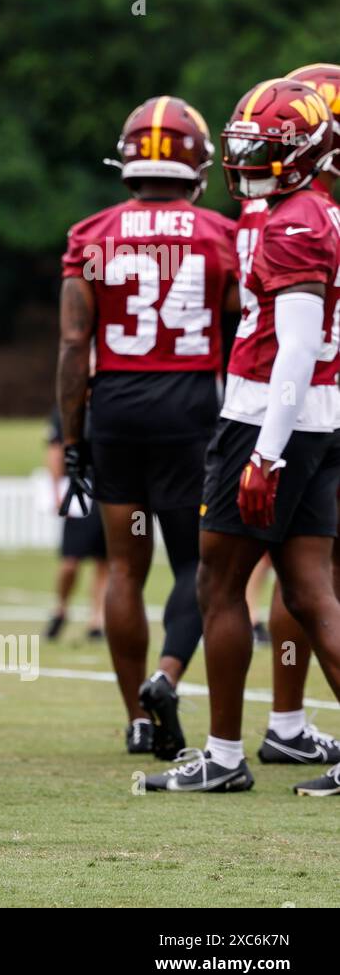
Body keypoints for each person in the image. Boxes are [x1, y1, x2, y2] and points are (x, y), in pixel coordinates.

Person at [146, 77, 340, 795]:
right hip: (318, 417)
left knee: (220, 587)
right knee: (314, 591)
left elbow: (294, 343)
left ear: (310, 151)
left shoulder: (294, 223)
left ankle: (224, 757)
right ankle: (243, 748)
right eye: (248, 144)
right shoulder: (315, 209)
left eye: (268, 147)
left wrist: (264, 453)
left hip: (268, 415)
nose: (251, 158)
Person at [57, 96, 239, 759]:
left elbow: (75, 346)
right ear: (197, 166)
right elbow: (240, 329)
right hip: (192, 407)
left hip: (117, 410)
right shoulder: (223, 234)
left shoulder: (91, 233)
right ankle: (168, 675)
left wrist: (73, 436)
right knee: (198, 566)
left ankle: (137, 715)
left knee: (124, 571)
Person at [250, 64, 340, 770]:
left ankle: (282, 722)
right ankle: (286, 721)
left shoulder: (288, 209)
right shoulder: (308, 211)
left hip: (287, 399)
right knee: (311, 573)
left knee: (303, 574)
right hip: (314, 398)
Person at [44, 408, 107, 642]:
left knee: (105, 560)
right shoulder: (67, 410)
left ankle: (96, 620)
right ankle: (60, 608)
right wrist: (56, 490)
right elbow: (55, 449)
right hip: (79, 489)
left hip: (109, 489)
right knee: (71, 561)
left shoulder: (113, 401)